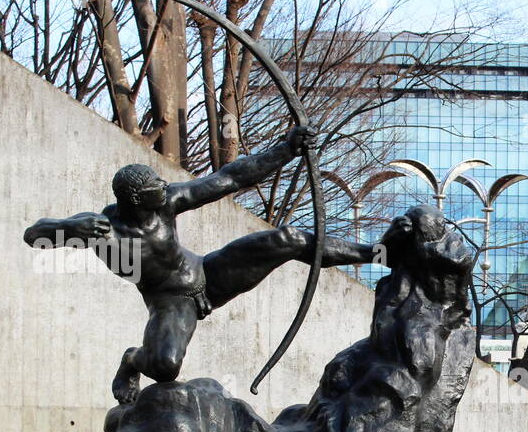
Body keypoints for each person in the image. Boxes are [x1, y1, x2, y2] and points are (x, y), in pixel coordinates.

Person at [24, 125, 377, 403]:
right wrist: (69, 227)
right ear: (135, 198)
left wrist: (287, 149)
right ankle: (132, 359)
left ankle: (372, 253)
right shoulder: (101, 229)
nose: (163, 185)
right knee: (165, 367)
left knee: (287, 239)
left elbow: (230, 178)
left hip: (209, 274)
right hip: (170, 301)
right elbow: (34, 235)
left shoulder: (166, 202)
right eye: (153, 187)